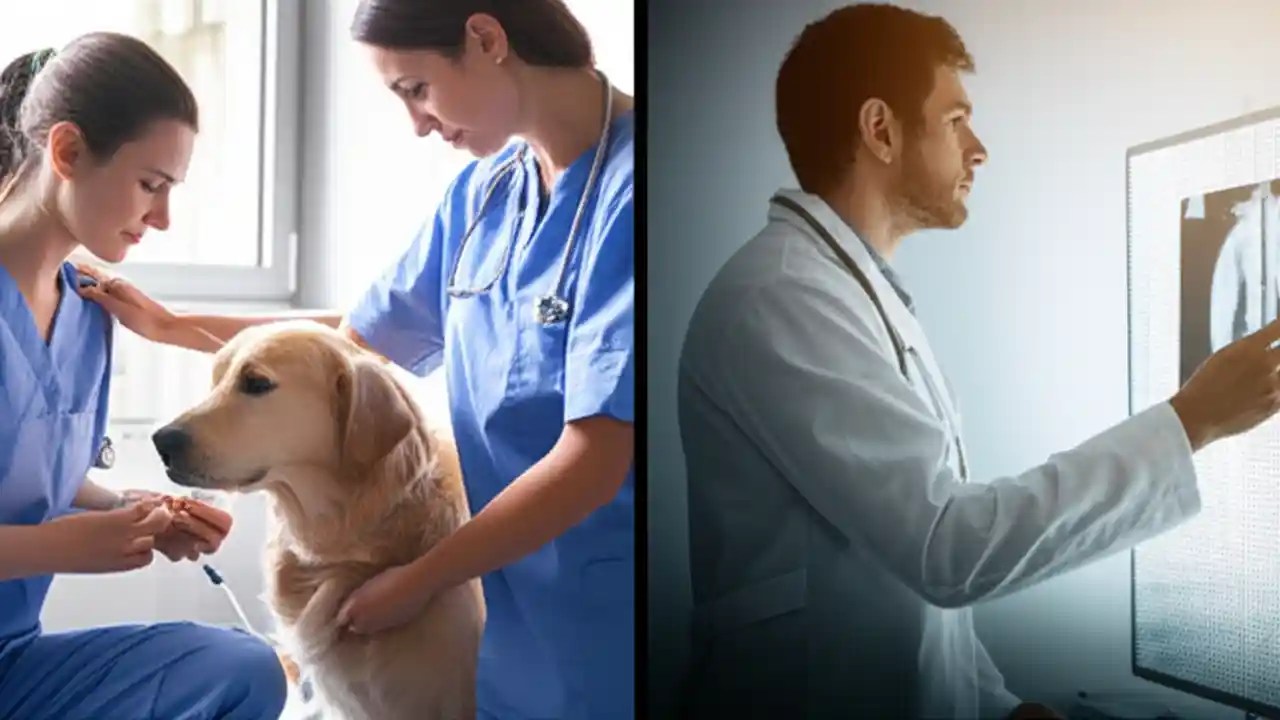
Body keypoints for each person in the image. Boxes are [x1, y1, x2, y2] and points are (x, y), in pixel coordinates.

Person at [677, 4, 1280, 719]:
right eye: (957, 119)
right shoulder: (782, 299)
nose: (979, 149)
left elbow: (899, 577)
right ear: (881, 130)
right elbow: (947, 547)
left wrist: (996, 705)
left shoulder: (851, 294)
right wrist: (1190, 421)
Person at [76, 2, 636, 718]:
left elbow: (597, 458)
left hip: (603, 614)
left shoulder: (634, 197)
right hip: (507, 623)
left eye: (416, 89)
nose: (418, 123)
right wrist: (172, 325)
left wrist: (420, 579)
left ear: (486, 38)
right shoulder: (486, 195)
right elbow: (347, 346)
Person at [0, 34, 287, 719]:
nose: (161, 218)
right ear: (68, 151)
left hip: (11, 660)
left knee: (244, 670)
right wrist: (51, 546)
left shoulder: (90, 313)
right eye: (150, 186)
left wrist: (133, 514)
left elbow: (36, 472)